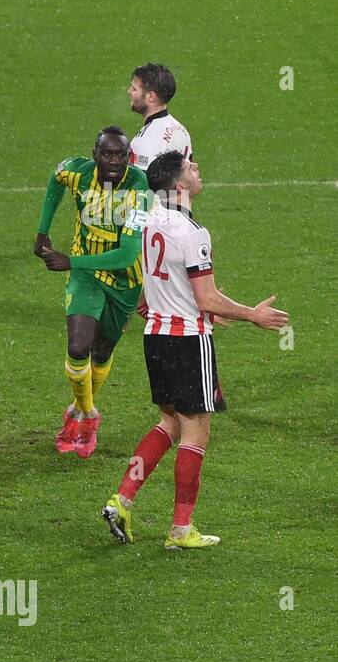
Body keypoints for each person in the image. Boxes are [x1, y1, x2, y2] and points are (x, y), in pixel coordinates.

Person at [100, 151, 288, 549]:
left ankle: (122, 499)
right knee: (196, 430)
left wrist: (163, 305)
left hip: (155, 336)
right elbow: (208, 298)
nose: (198, 170)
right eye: (192, 169)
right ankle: (181, 530)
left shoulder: (148, 219)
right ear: (180, 186)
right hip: (187, 342)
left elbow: (142, 277)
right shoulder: (192, 232)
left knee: (169, 423)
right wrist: (251, 315)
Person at [34, 127, 149, 458]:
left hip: (124, 280)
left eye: (121, 155)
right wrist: (42, 232)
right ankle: (89, 416)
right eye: (107, 154)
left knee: (101, 352)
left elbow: (128, 255)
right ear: (94, 154)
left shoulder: (139, 189)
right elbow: (56, 181)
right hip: (86, 276)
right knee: (78, 345)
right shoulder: (76, 171)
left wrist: (70, 260)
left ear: (129, 157)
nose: (114, 161)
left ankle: (76, 411)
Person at [127, 63, 192, 171]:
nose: (129, 91)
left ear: (151, 96)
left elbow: (142, 186)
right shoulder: (181, 130)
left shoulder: (144, 140)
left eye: (134, 89)